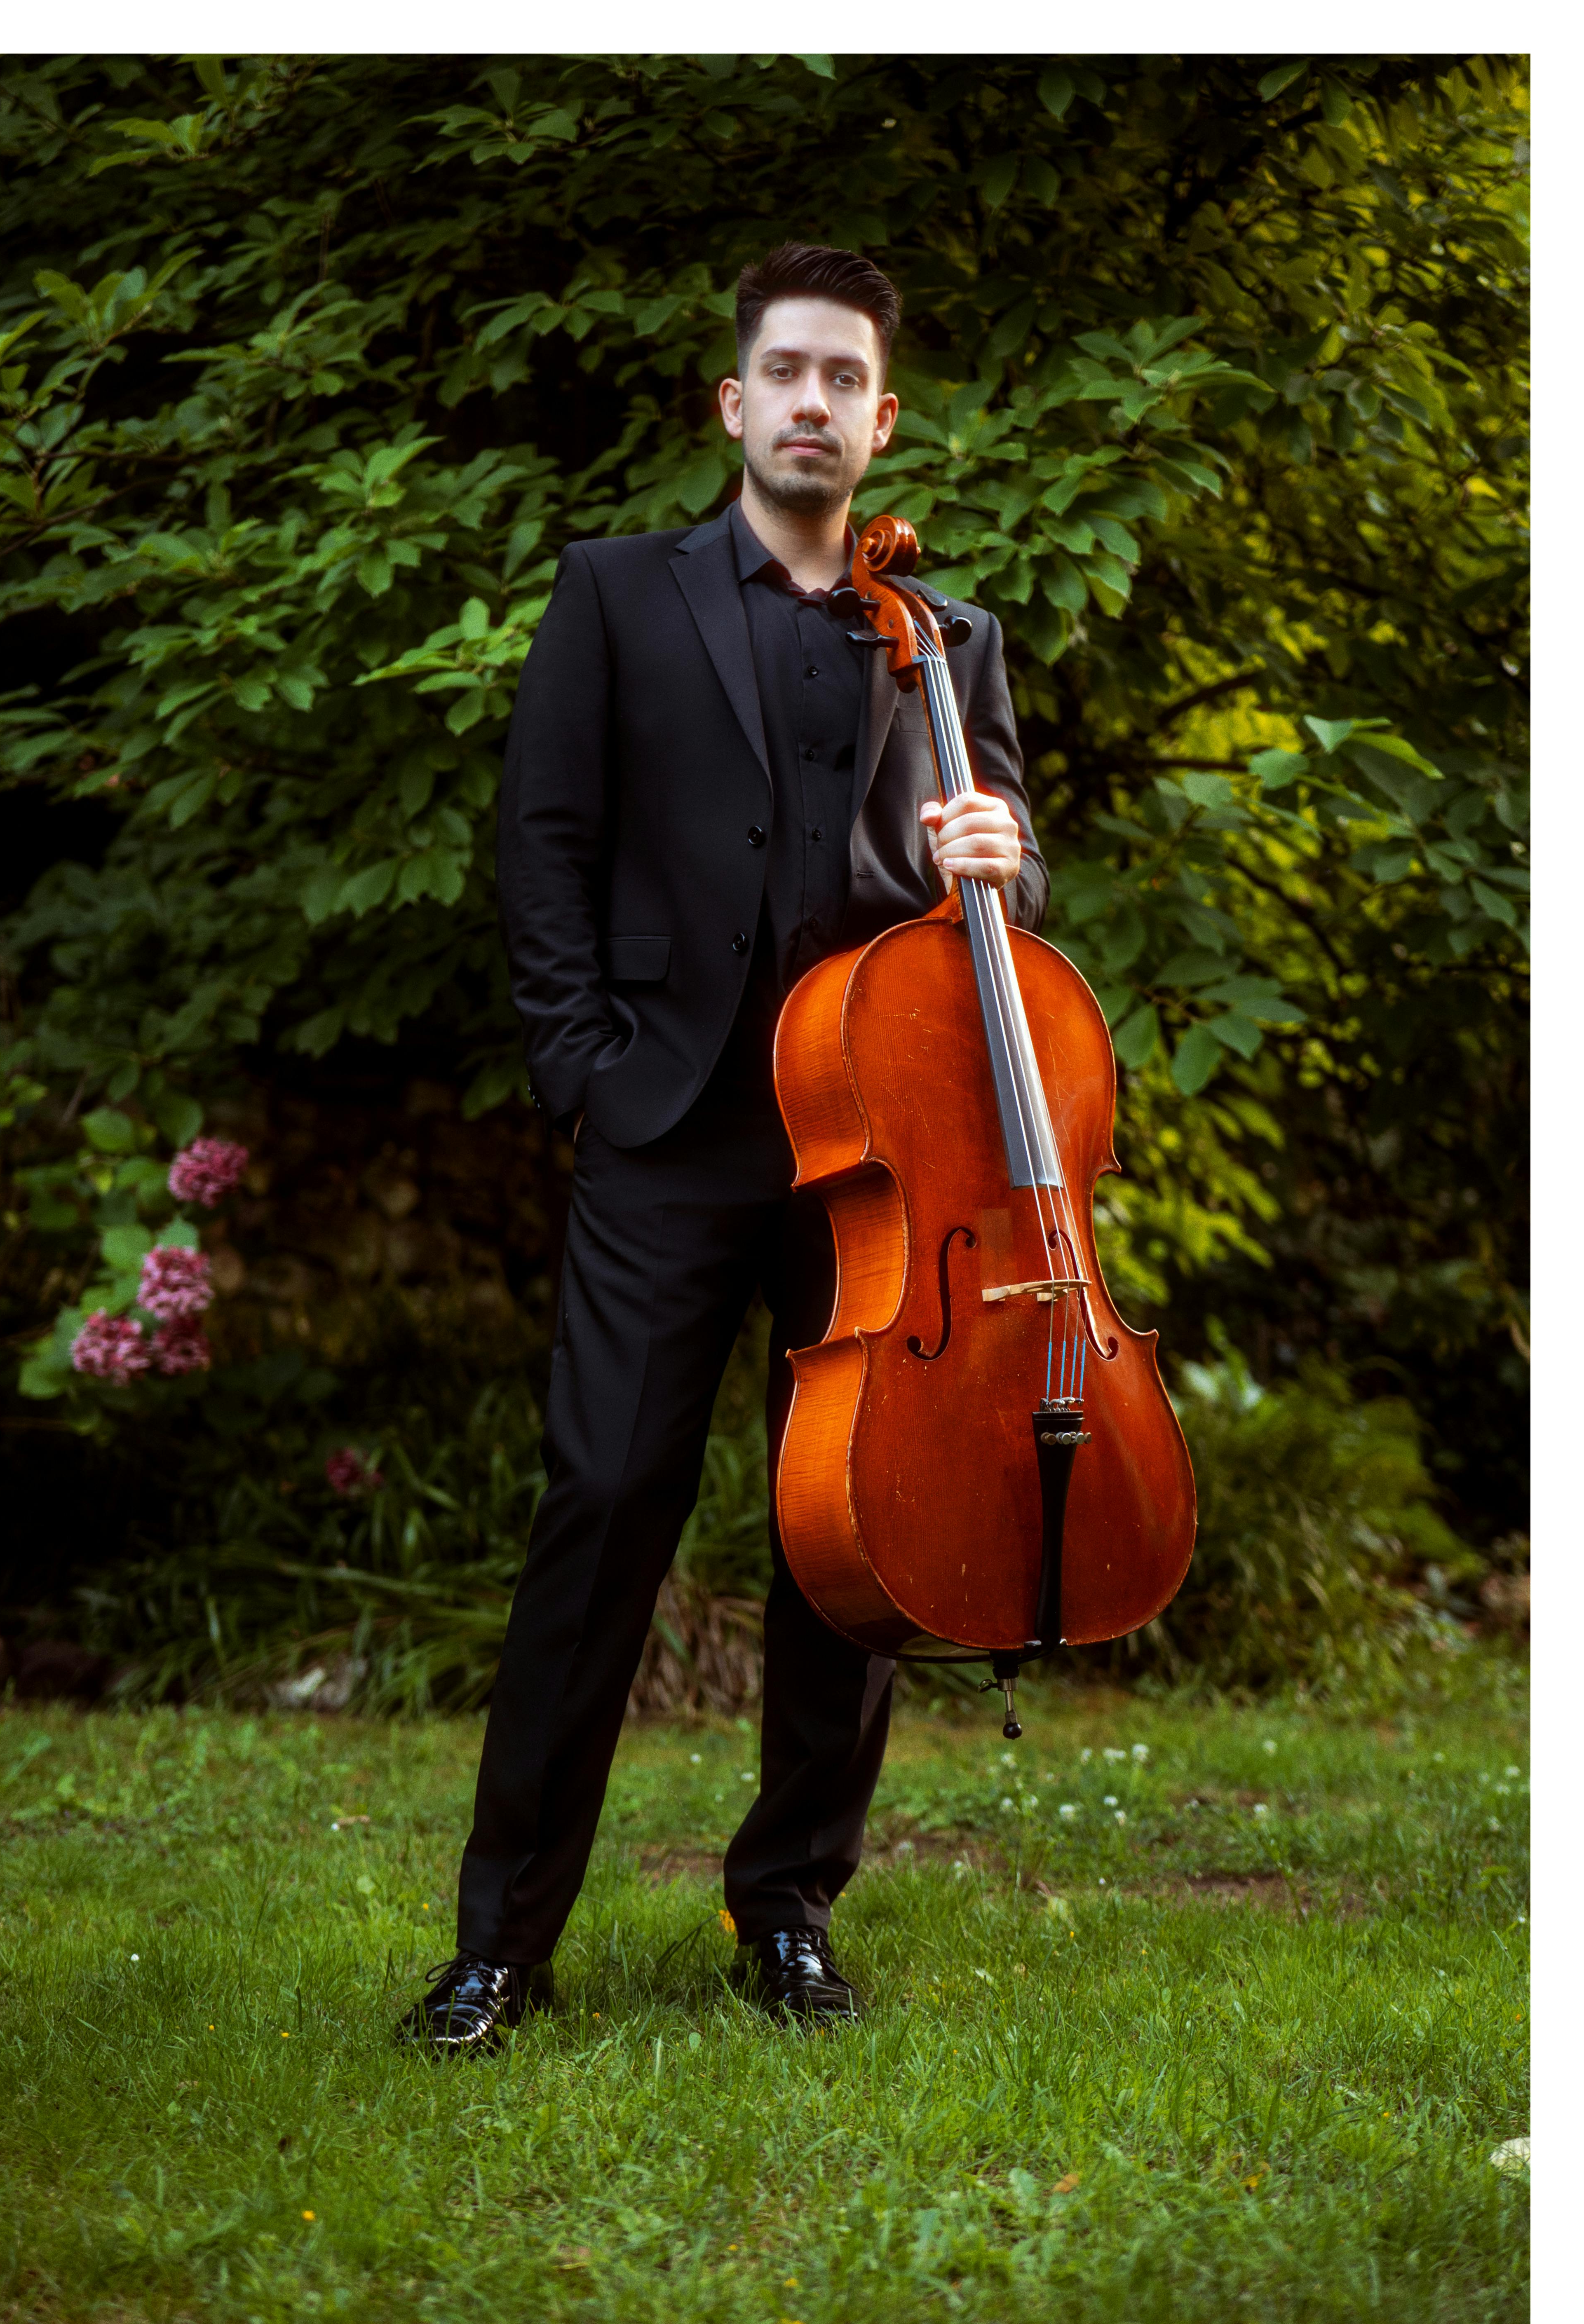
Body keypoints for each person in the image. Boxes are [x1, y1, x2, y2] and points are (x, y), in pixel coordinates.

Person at [396, 241, 1048, 2053]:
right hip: (668, 1126)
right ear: (736, 404)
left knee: (847, 1537)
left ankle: (789, 1912)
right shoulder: (616, 594)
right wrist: (583, 1074)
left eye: (849, 380)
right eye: (790, 374)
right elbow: (545, 843)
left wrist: (1002, 857)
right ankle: (500, 1944)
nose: (818, 405)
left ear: (883, 418)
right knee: (601, 1507)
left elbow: (1001, 876)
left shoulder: (951, 638)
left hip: (881, 1154)